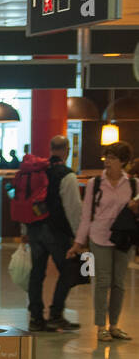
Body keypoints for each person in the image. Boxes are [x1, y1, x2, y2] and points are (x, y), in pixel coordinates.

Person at [69, 142, 139, 341]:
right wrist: (78, 242)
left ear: (123, 162)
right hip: (99, 237)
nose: (107, 162)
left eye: (113, 158)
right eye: (106, 157)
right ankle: (101, 326)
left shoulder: (133, 184)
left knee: (119, 283)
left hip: (123, 239)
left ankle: (115, 325)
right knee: (102, 281)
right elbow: (86, 215)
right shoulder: (95, 183)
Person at [24, 136, 82, 332]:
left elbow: (27, 201)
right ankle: (56, 314)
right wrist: (79, 236)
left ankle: (36, 318)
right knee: (69, 270)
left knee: (37, 272)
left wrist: (25, 229)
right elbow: (73, 208)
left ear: (50, 148)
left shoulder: (39, 171)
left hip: (35, 229)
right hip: (56, 232)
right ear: (67, 150)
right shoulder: (67, 175)